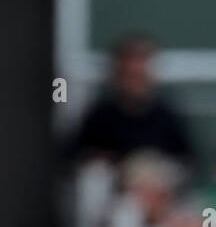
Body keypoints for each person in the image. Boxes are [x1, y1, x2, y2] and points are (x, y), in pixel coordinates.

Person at [67, 34, 194, 170]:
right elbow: (74, 156)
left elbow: (187, 160)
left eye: (139, 76)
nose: (133, 84)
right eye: (128, 75)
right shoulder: (100, 117)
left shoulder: (167, 117)